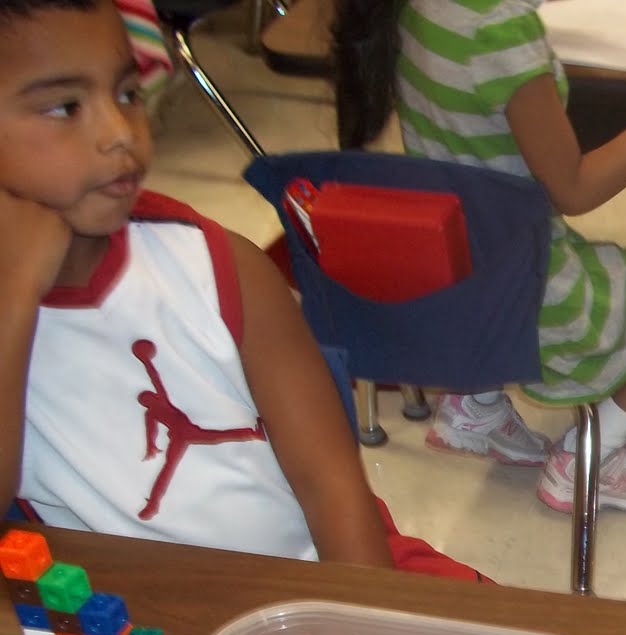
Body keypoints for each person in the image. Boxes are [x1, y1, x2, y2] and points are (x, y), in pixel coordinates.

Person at [0, 0, 481, 577]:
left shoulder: (214, 261)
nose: (118, 134)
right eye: (65, 107)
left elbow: (333, 490)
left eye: (126, 93)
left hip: (343, 574)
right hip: (156, 629)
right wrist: (17, 292)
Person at [333, 0, 626, 514]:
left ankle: (476, 403)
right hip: (532, 293)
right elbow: (574, 190)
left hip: (458, 274)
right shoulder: (501, 32)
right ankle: (591, 455)